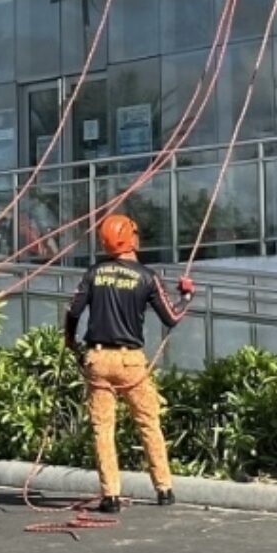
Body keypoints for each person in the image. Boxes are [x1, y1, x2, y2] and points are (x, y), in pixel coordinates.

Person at [63, 214, 195, 513]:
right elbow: (171, 318)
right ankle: (164, 489)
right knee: (148, 422)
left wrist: (70, 341)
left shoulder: (94, 273)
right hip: (131, 361)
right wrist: (187, 296)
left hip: (98, 359)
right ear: (130, 238)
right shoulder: (147, 277)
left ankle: (110, 496)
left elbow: (73, 312)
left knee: (102, 428)